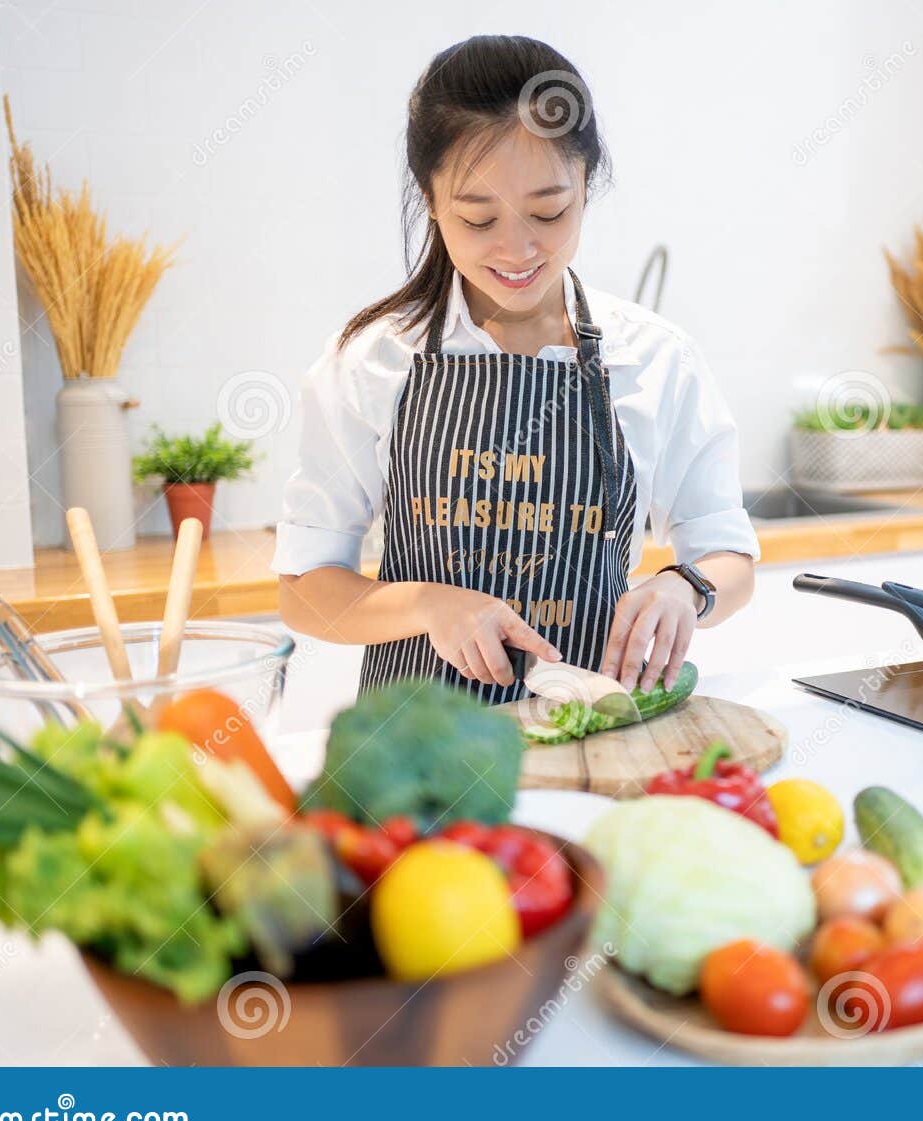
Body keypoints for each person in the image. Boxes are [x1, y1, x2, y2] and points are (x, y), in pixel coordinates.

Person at [272, 35, 758, 705]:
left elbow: (729, 557)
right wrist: (427, 604)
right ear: (432, 200)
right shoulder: (368, 362)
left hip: (595, 747)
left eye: (548, 211)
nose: (517, 248)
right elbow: (304, 590)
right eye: (477, 218)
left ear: (588, 184)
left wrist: (684, 587)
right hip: (420, 762)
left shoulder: (655, 359)